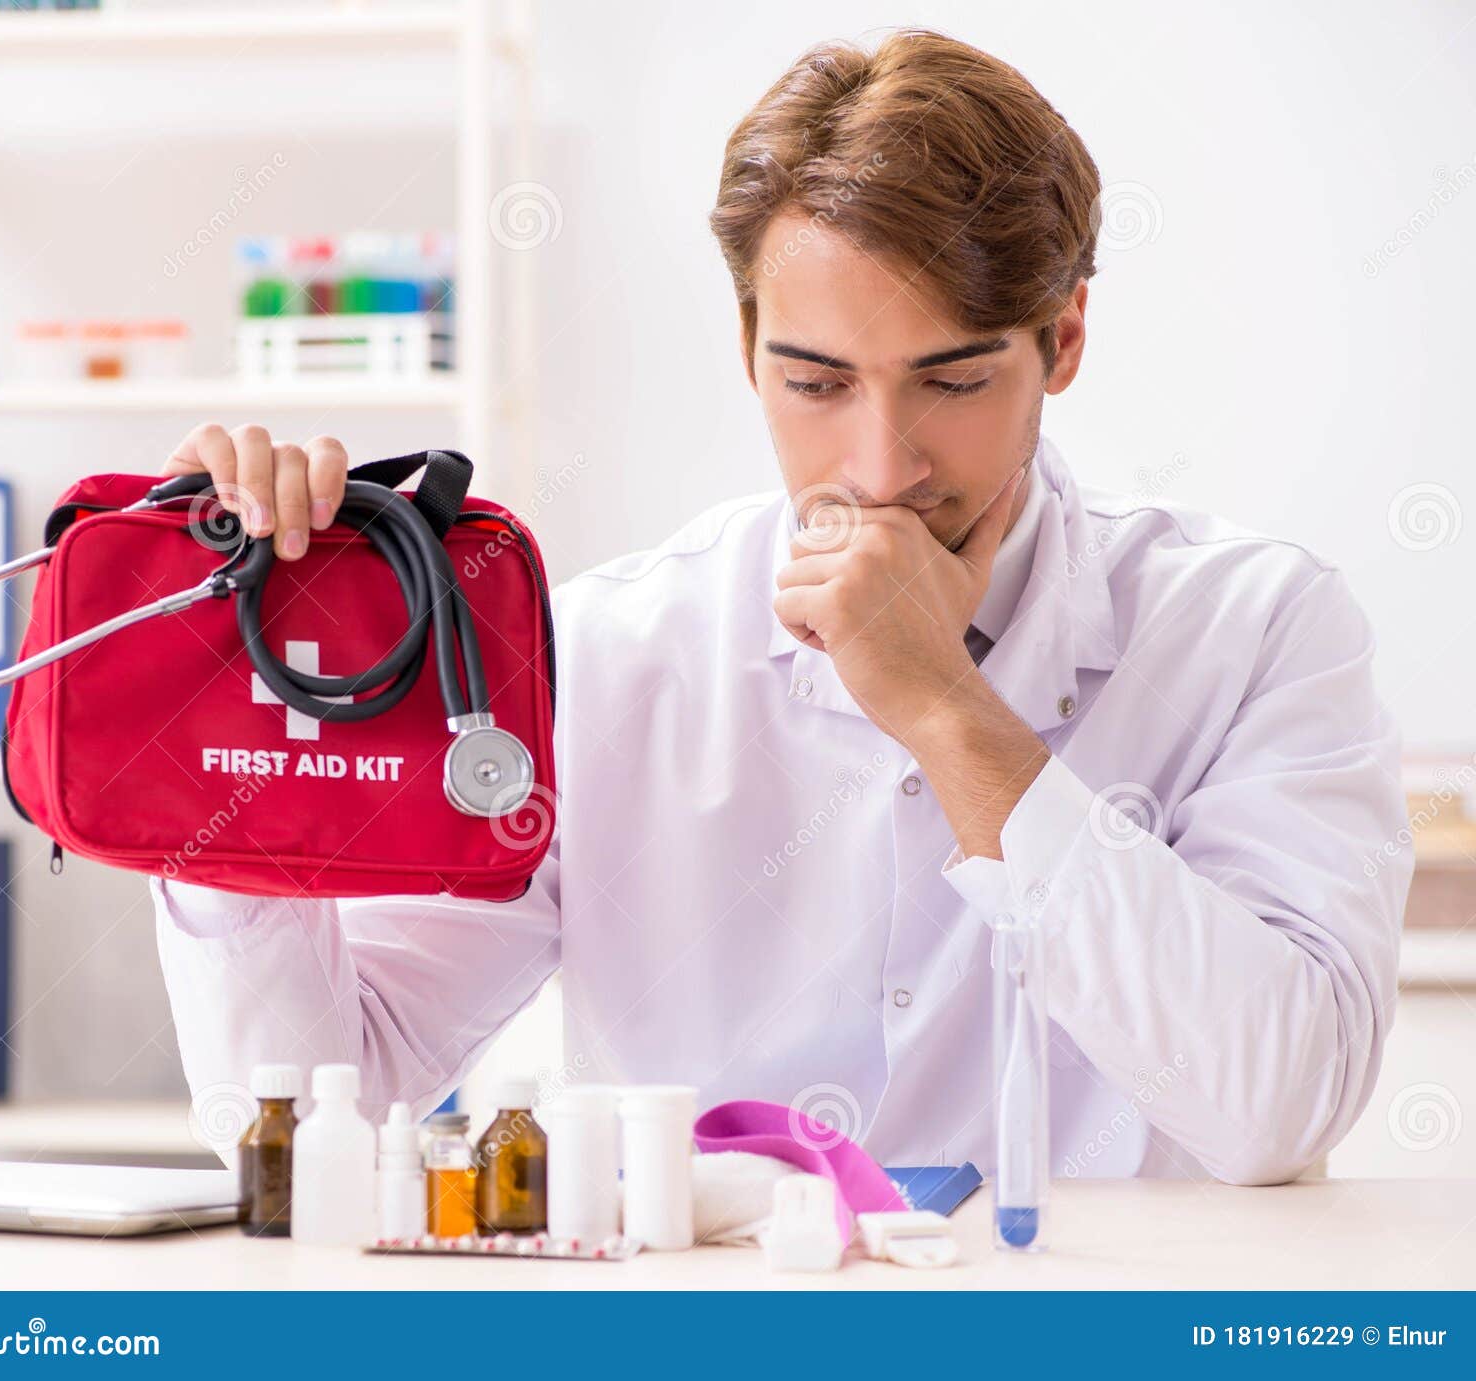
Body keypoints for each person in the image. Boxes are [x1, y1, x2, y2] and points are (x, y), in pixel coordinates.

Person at [152, 29, 1409, 1184]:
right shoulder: (594, 656)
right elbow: (322, 1122)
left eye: (953, 378)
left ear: (1064, 339)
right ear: (748, 345)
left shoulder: (1253, 631)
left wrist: (947, 710)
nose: (878, 468)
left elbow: (1273, 1108)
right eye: (814, 382)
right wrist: (231, 744)